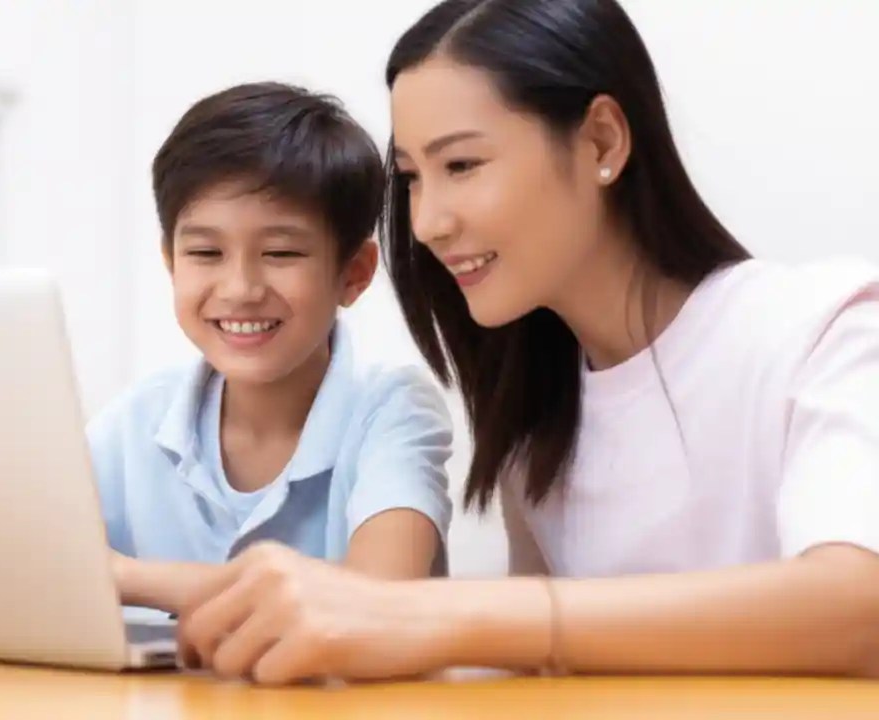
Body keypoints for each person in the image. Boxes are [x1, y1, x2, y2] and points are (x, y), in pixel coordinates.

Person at [176, 0, 879, 683]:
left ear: (602, 141)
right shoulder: (533, 420)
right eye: (413, 179)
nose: (426, 223)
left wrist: (435, 615)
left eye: (461, 167)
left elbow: (859, 606)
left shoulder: (826, 327)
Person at [87, 82, 454, 617]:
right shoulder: (133, 421)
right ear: (172, 262)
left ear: (354, 273)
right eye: (206, 252)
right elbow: (31, 566)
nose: (240, 288)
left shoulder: (394, 409)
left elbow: (376, 600)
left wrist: (124, 577)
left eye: (281, 252)